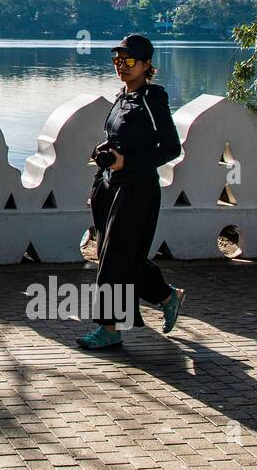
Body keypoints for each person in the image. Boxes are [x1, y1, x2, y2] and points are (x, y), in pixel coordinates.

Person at [76, 33, 186, 350]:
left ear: (146, 64)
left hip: (137, 190)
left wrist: (129, 161)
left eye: (129, 61)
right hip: (109, 185)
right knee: (122, 256)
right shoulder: (122, 97)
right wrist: (107, 157)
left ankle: (110, 329)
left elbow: (170, 148)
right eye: (117, 60)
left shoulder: (153, 98)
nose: (121, 66)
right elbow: (122, 137)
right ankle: (167, 295)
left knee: (113, 260)